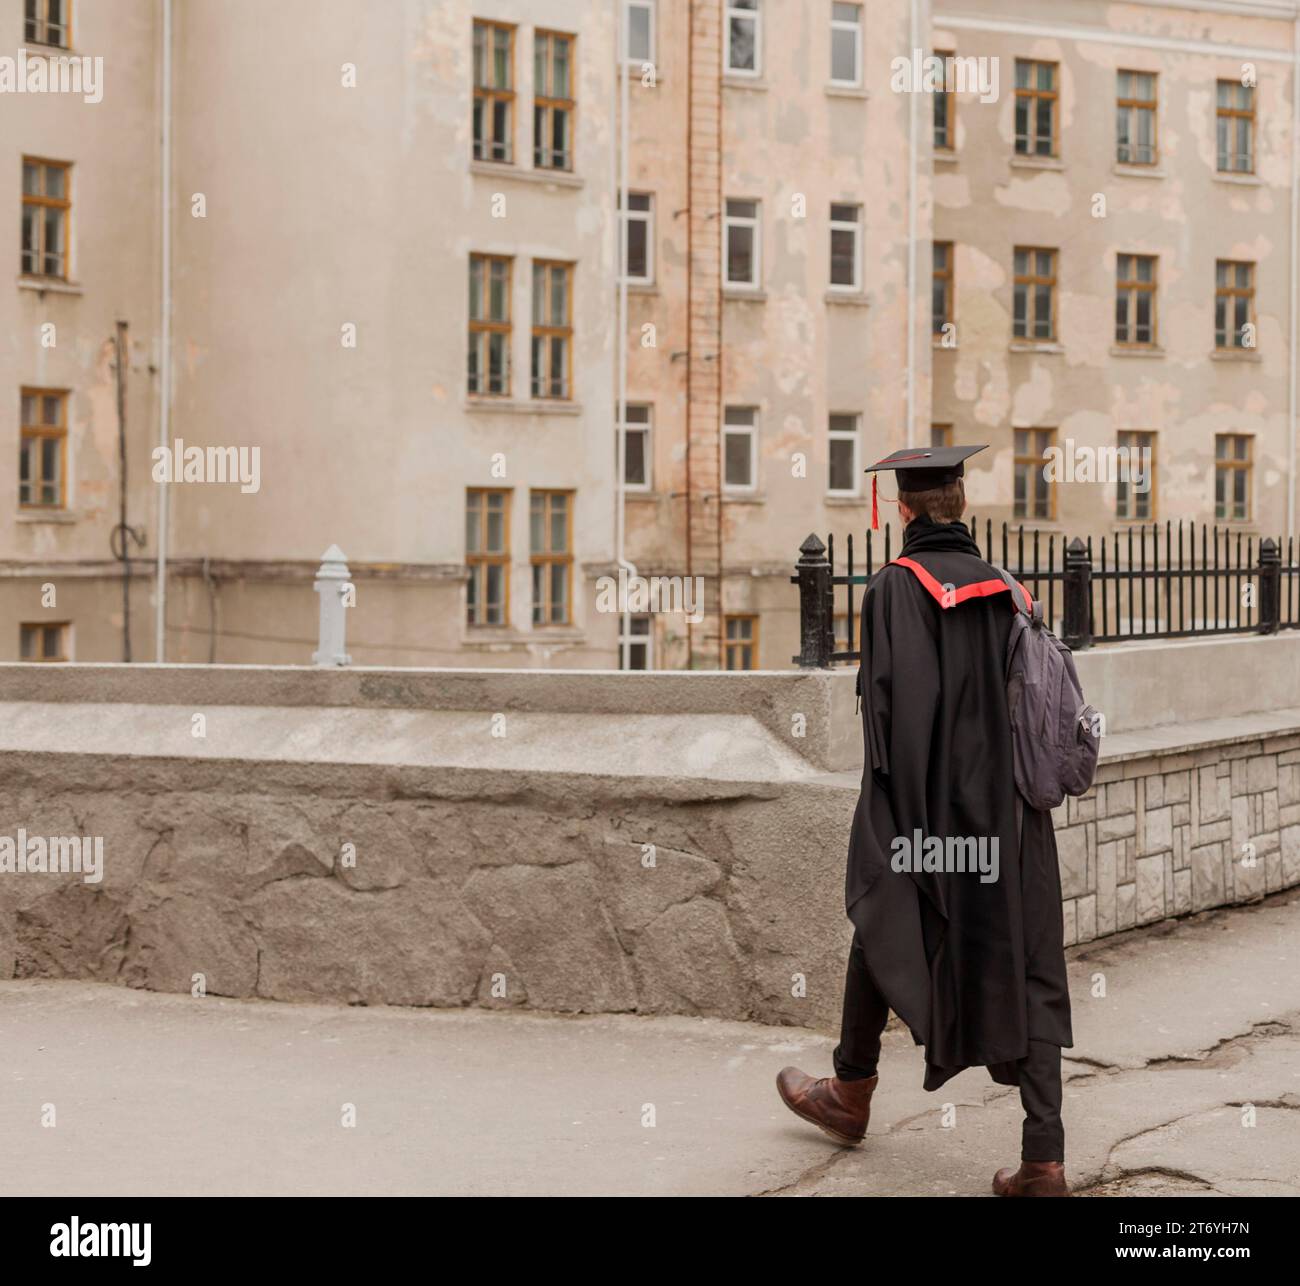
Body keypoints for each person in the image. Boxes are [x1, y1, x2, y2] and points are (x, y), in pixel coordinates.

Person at [776, 445, 1073, 1198]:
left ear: (902, 510)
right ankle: (1043, 1158)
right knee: (1030, 962)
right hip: (1013, 819)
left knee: (882, 914)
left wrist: (897, 826)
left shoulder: (895, 590)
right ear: (962, 504)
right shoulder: (1012, 591)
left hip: (935, 813)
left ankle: (851, 1092)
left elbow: (896, 721)